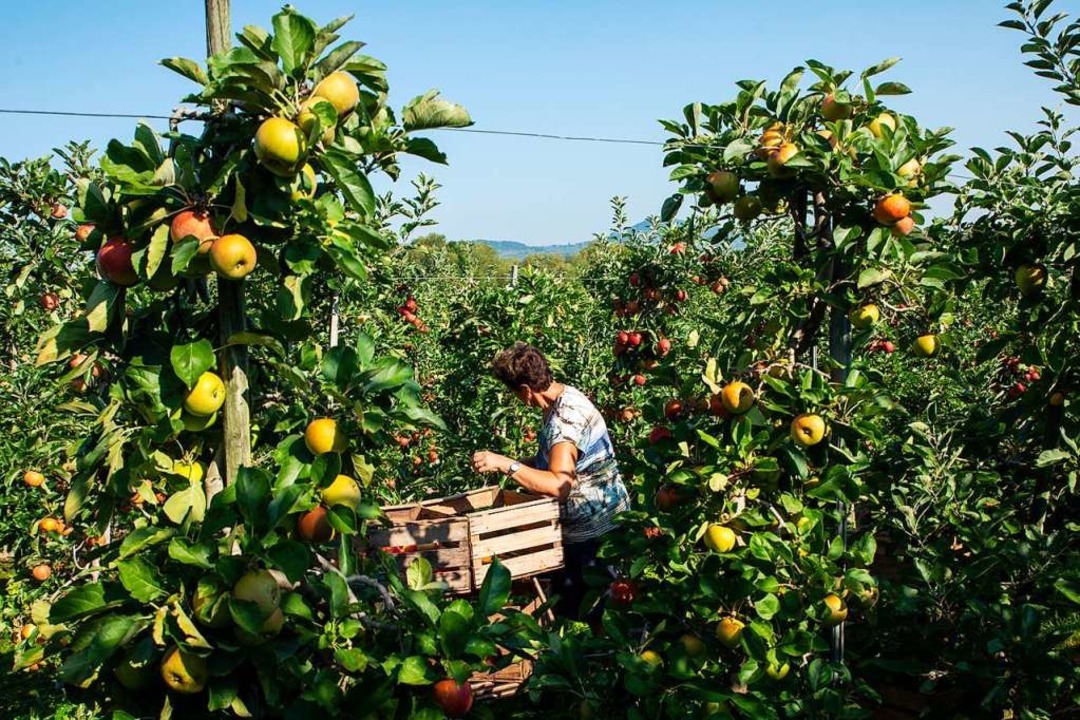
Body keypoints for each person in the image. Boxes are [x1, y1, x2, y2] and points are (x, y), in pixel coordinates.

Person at [470, 342, 630, 619]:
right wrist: (519, 467)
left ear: (525, 390)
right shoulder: (563, 399)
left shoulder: (564, 421)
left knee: (590, 616)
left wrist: (507, 464)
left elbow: (560, 484)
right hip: (593, 529)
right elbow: (557, 463)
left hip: (594, 538)